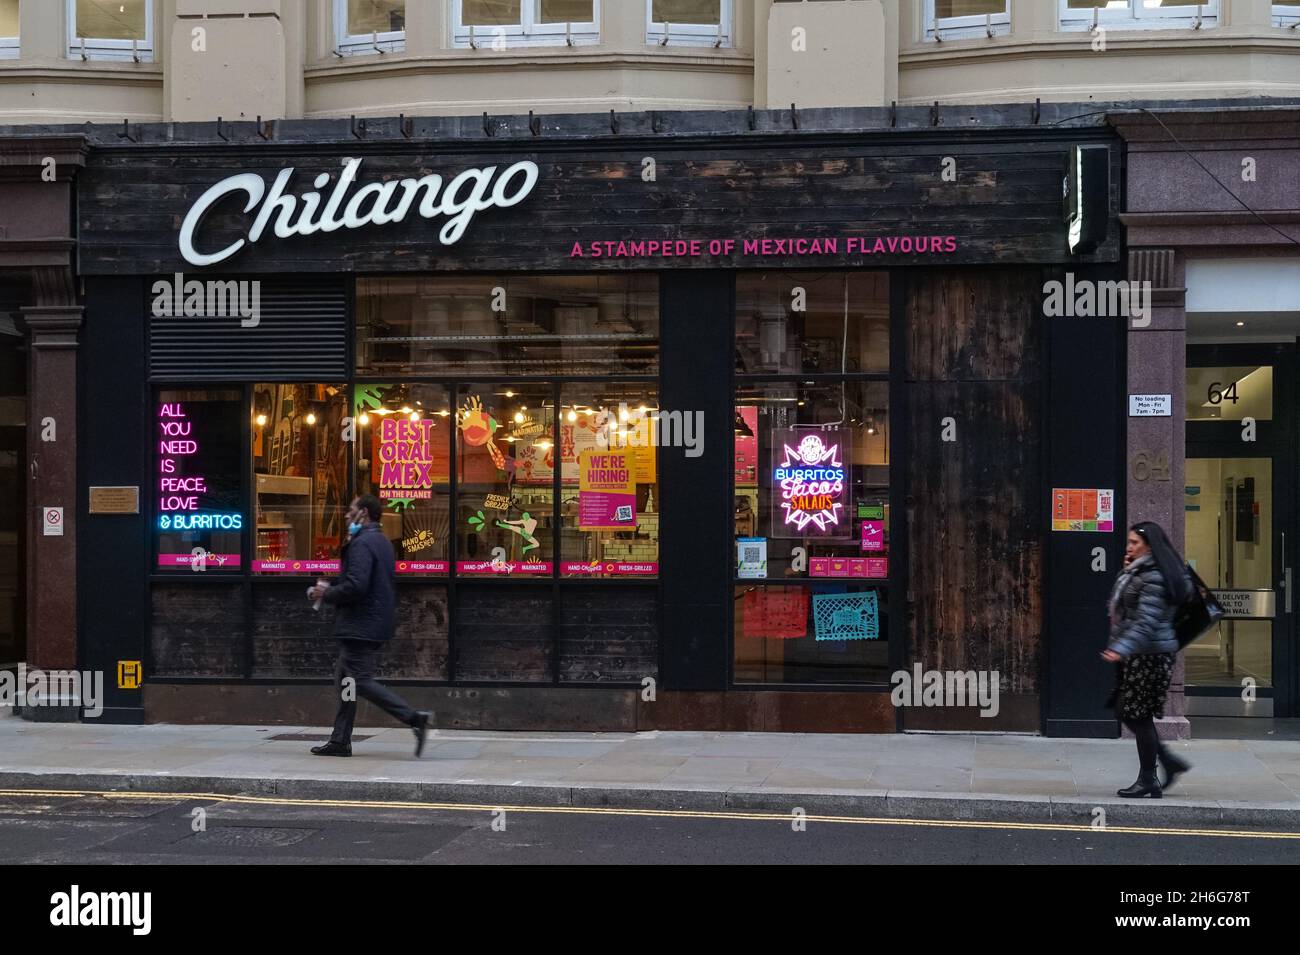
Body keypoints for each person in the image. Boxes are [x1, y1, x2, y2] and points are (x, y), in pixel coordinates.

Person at [307, 494, 430, 758]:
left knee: (359, 680)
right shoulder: (382, 541)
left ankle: (414, 718)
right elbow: (362, 579)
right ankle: (340, 740)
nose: (346, 515)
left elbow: (357, 585)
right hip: (371, 621)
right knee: (346, 680)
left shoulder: (362, 543)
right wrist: (332, 583)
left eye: (350, 509)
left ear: (363, 513)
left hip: (360, 624)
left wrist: (325, 594)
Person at [1102, 521, 1193, 797]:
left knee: (1136, 714)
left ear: (1150, 546)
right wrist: (1128, 568)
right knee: (1125, 709)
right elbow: (1125, 604)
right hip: (1141, 653)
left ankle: (1149, 778)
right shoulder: (1144, 570)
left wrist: (1122, 648)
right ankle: (1166, 761)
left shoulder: (1156, 576)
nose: (1129, 547)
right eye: (1129, 542)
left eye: (1134, 543)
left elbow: (1146, 622)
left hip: (1151, 655)